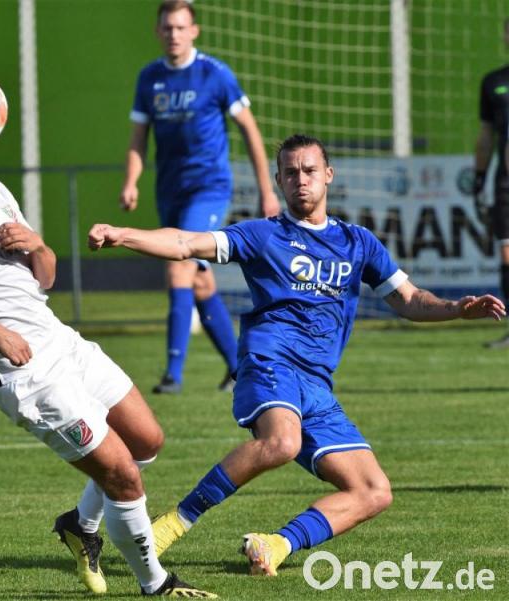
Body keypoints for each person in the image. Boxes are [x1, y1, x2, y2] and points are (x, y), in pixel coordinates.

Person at [90, 134, 505, 576]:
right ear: (279, 181)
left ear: (328, 176)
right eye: (290, 173)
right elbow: (185, 244)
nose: (300, 180)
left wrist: (457, 309)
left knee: (374, 491)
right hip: (272, 364)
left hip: (317, 386)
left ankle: (276, 544)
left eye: (309, 171)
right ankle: (170, 526)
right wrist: (122, 235)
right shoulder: (263, 235)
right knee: (282, 443)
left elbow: (409, 299)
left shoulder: (358, 242)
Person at [0, 78, 214, 599]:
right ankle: (157, 585)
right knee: (124, 479)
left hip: (61, 342)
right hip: (24, 375)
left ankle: (79, 525)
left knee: (147, 442)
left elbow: (45, 275)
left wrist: (40, 245)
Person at [120, 0, 280, 394]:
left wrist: (266, 190)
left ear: (194, 31)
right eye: (167, 28)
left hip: (209, 189)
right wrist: (131, 181)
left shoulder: (214, 73)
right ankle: (238, 367)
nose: (174, 34)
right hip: (169, 191)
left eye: (180, 27)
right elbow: (139, 140)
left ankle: (172, 375)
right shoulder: (149, 79)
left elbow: (250, 130)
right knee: (201, 284)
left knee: (178, 266)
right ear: (158, 32)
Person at [473, 18, 509, 349]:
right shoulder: (494, 82)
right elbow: (486, 136)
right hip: (505, 183)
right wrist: (479, 176)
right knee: (508, 254)